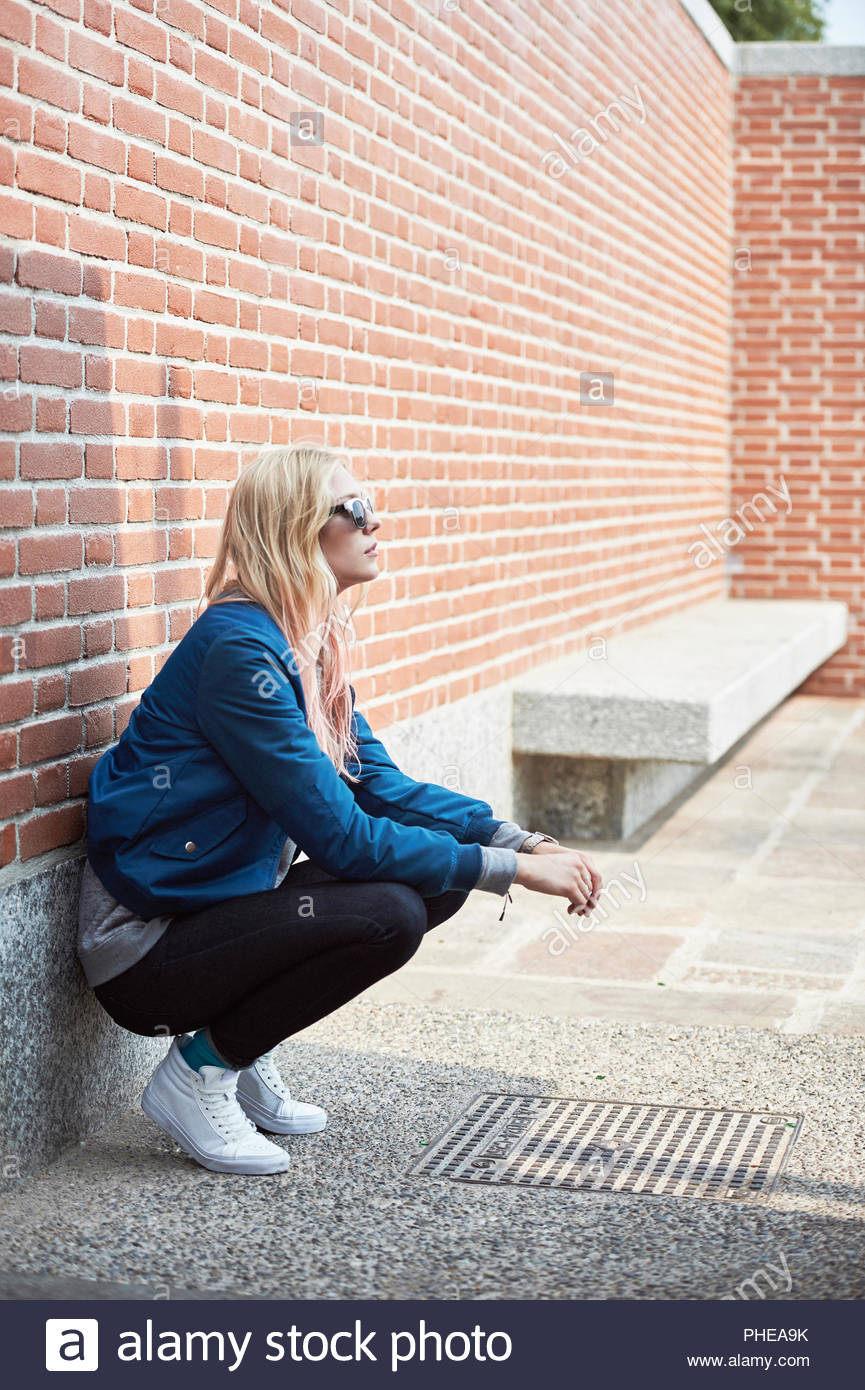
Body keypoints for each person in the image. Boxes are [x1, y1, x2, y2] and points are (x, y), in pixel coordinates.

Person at [77, 444, 602, 1176]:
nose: (373, 522)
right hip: (146, 947)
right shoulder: (240, 652)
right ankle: (199, 1071)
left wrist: (518, 840)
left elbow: (376, 784)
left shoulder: (305, 644)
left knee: (437, 879)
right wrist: (510, 871)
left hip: (214, 908)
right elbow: (343, 840)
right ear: (297, 528)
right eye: (353, 509)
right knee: (386, 912)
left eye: (370, 506)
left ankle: (241, 1044)